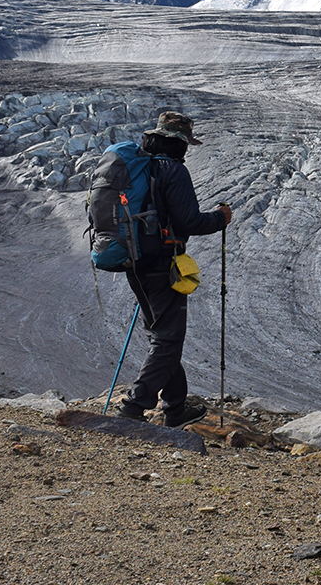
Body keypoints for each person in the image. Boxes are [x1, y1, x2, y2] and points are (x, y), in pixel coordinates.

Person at [112, 111, 230, 427]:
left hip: (134, 263)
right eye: (186, 143)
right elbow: (189, 222)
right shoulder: (172, 170)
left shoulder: (139, 168)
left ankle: (175, 409)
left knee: (163, 336)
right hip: (162, 265)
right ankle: (134, 407)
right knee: (168, 340)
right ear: (178, 142)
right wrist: (221, 218)